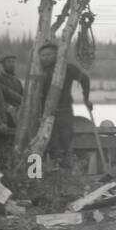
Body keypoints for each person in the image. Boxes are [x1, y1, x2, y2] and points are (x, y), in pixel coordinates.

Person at [36, 42, 93, 170]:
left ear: (57, 55)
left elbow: (85, 79)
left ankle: (65, 173)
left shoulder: (67, 69)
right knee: (46, 144)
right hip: (45, 114)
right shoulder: (38, 73)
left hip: (64, 112)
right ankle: (37, 174)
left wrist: (86, 98)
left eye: (49, 54)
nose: (45, 58)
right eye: (43, 55)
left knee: (66, 142)